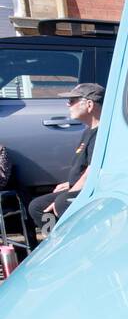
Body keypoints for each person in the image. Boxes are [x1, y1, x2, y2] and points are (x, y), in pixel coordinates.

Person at [28, 82, 102, 229]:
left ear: (89, 104)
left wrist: (72, 192)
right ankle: (56, 240)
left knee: (62, 203)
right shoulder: (88, 132)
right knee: (37, 206)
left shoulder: (102, 133)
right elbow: (83, 166)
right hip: (79, 186)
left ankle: (80, 243)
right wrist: (70, 184)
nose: (68, 104)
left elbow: (93, 170)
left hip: (92, 188)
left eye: (72, 101)